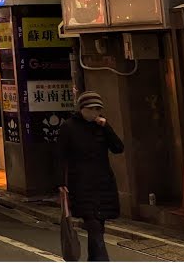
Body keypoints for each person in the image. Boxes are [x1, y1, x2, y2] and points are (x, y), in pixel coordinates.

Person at [57, 91, 125, 262]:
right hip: (80, 183)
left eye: (98, 109)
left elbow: (118, 148)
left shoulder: (101, 127)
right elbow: (60, 156)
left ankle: (94, 259)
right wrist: (60, 182)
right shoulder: (68, 127)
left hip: (103, 182)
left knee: (98, 226)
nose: (95, 113)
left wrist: (107, 127)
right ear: (82, 109)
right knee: (93, 225)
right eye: (91, 109)